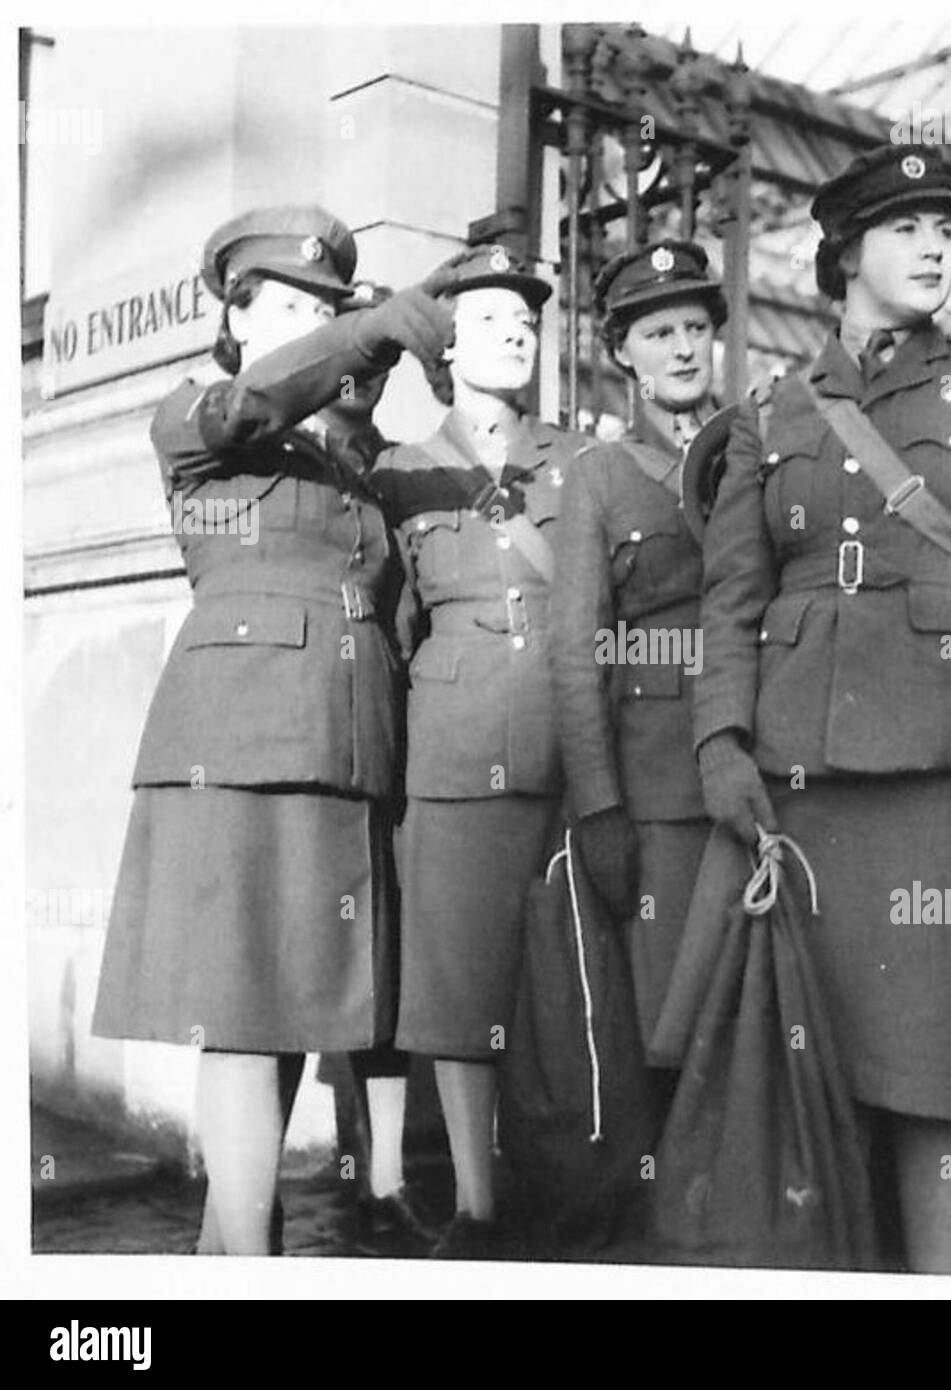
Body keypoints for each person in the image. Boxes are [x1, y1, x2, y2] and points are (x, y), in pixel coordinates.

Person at [691, 146, 951, 1274]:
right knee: (815, 1069)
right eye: (904, 227)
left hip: (940, 791)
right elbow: (729, 600)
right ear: (844, 253)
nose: (934, 245)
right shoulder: (772, 410)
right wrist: (719, 741)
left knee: (931, 1074)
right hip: (800, 792)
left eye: (944, 227)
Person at [91, 205, 454, 1255]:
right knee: (246, 1015)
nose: (310, 327)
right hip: (238, 752)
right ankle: (249, 1257)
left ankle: (229, 1252)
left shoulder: (348, 466)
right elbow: (257, 402)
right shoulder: (201, 422)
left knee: (295, 1012)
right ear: (237, 319)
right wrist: (368, 326)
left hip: (343, 756)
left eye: (323, 309)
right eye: (290, 308)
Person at [367, 243, 587, 1259]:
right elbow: (395, 625)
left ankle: (569, 1177)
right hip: (452, 756)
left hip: (570, 751)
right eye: (490, 316)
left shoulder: (582, 462)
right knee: (459, 988)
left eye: (526, 320)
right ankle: (475, 1201)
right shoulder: (403, 475)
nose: (513, 332)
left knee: (561, 985)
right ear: (445, 342)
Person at [549, 240, 726, 1102]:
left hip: (767, 787)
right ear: (621, 351)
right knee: (667, 1031)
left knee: (758, 1029)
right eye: (659, 332)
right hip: (661, 801)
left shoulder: (758, 459)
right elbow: (576, 658)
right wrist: (602, 808)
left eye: (696, 327)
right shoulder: (602, 478)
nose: (684, 348)